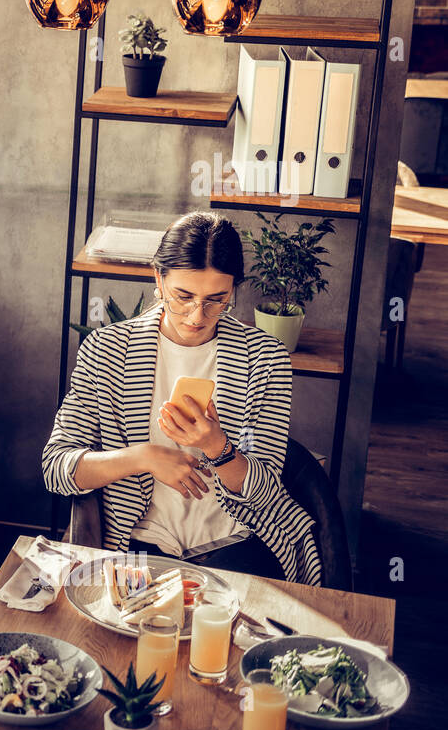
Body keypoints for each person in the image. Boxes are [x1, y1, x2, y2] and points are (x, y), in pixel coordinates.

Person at [42, 211, 322, 585]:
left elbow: (266, 492)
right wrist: (143, 457)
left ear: (234, 290)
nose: (196, 315)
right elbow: (57, 468)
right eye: (183, 296)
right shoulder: (107, 351)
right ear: (159, 279)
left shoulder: (265, 358)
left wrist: (217, 447)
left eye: (216, 299)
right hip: (138, 544)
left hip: (239, 540)